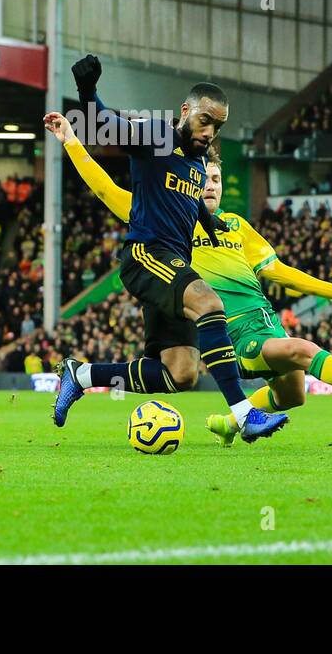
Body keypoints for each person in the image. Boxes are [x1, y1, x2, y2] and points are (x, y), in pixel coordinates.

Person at [46, 111, 332, 447]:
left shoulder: (236, 227)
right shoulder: (162, 212)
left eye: (216, 179)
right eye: (204, 179)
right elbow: (105, 189)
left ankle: (88, 376)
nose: (210, 186)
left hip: (265, 321)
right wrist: (72, 141)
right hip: (228, 326)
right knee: (302, 350)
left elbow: (279, 272)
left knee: (280, 393)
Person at [51, 54, 287, 443]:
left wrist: (211, 226)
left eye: (218, 126)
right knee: (210, 304)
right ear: (185, 111)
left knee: (181, 373)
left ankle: (80, 375)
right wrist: (88, 91)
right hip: (146, 255)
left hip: (173, 263)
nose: (210, 131)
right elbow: (107, 125)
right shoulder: (156, 135)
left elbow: (189, 201)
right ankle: (244, 414)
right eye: (205, 120)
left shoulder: (195, 166)